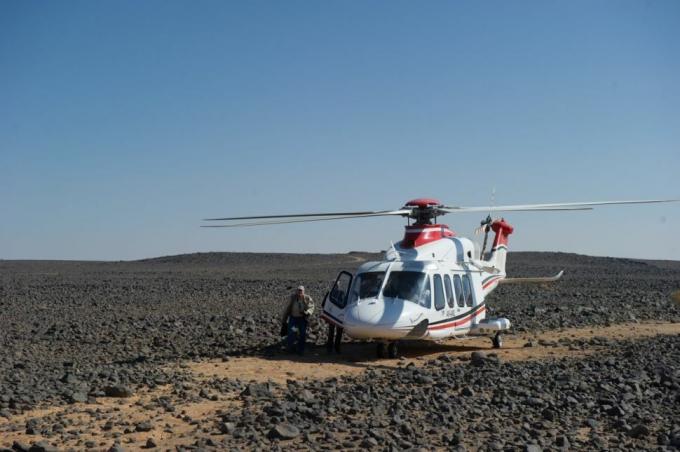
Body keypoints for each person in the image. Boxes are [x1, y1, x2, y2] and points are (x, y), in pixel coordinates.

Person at [281, 286, 314, 355]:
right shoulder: (292, 298)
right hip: (294, 319)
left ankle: (301, 350)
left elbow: (311, 306)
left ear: (303, 291)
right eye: (298, 291)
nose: (299, 292)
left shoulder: (307, 298)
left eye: (301, 291)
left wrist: (307, 312)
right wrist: (284, 320)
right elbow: (287, 308)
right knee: (292, 332)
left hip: (302, 319)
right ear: (296, 291)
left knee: (302, 334)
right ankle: (290, 348)